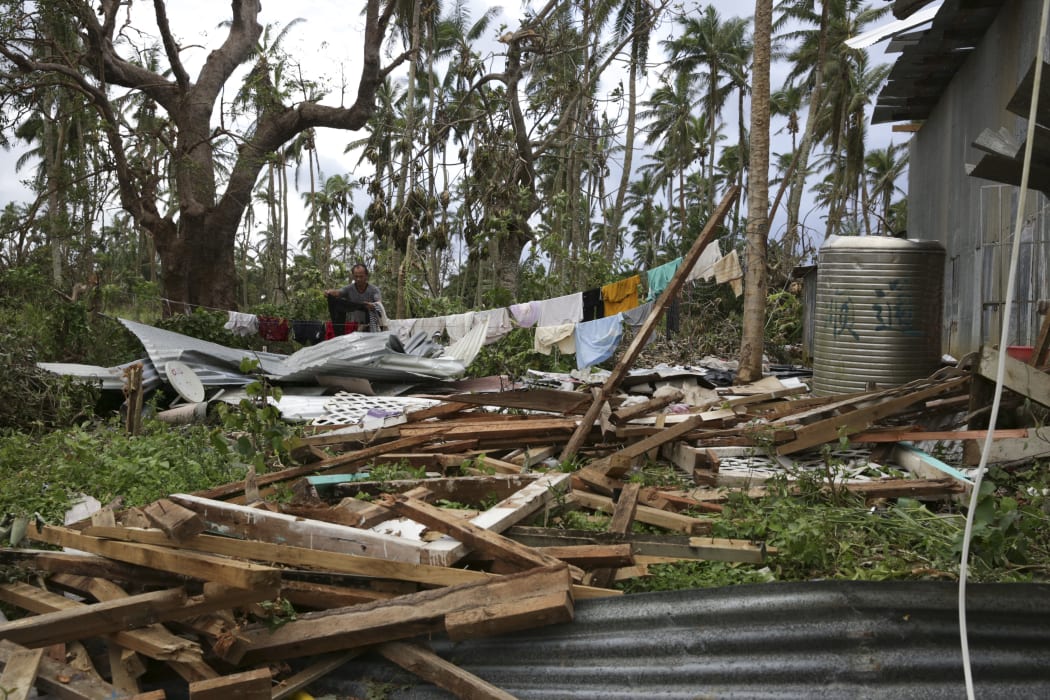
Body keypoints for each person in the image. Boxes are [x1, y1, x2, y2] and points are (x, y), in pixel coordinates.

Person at [325, 264, 382, 333]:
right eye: (356, 276)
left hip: (370, 326)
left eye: (361, 276)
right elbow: (339, 292)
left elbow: (379, 303)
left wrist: (373, 306)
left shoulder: (374, 290)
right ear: (353, 276)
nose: (358, 279)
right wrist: (330, 292)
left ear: (366, 276)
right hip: (352, 327)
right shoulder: (349, 289)